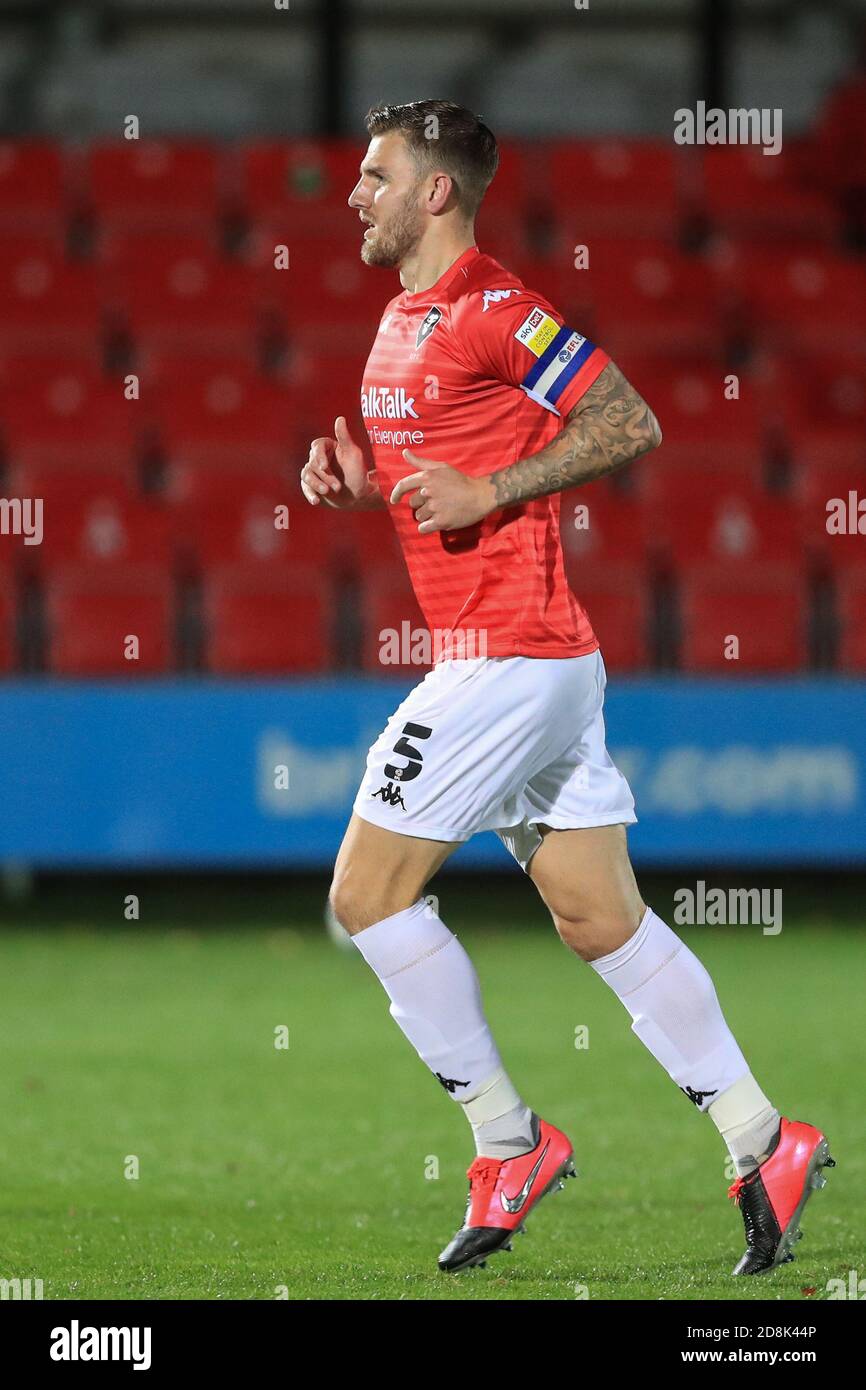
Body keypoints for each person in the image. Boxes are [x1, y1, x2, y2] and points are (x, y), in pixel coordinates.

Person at [300, 100, 834, 1275]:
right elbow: (434, 472)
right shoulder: (398, 323)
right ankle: (763, 1134)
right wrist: (359, 486)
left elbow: (625, 418)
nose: (354, 193)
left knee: (364, 893)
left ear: (434, 193)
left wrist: (493, 495)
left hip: (510, 659)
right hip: (525, 662)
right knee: (600, 919)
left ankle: (507, 1138)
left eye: (375, 174)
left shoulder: (496, 308)